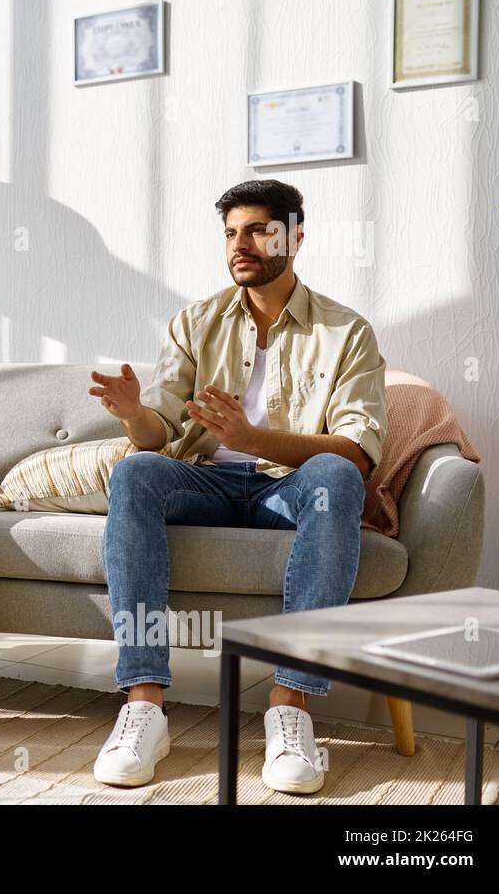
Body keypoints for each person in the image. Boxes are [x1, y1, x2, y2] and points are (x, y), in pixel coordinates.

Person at [88, 179, 387, 794]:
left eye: (256, 230)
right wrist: (132, 414)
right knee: (136, 470)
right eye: (231, 233)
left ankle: (291, 704)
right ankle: (145, 703)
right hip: (207, 483)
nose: (239, 245)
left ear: (295, 237)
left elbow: (357, 450)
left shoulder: (347, 332)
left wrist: (254, 440)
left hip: (289, 490)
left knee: (334, 474)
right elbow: (157, 434)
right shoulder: (194, 322)